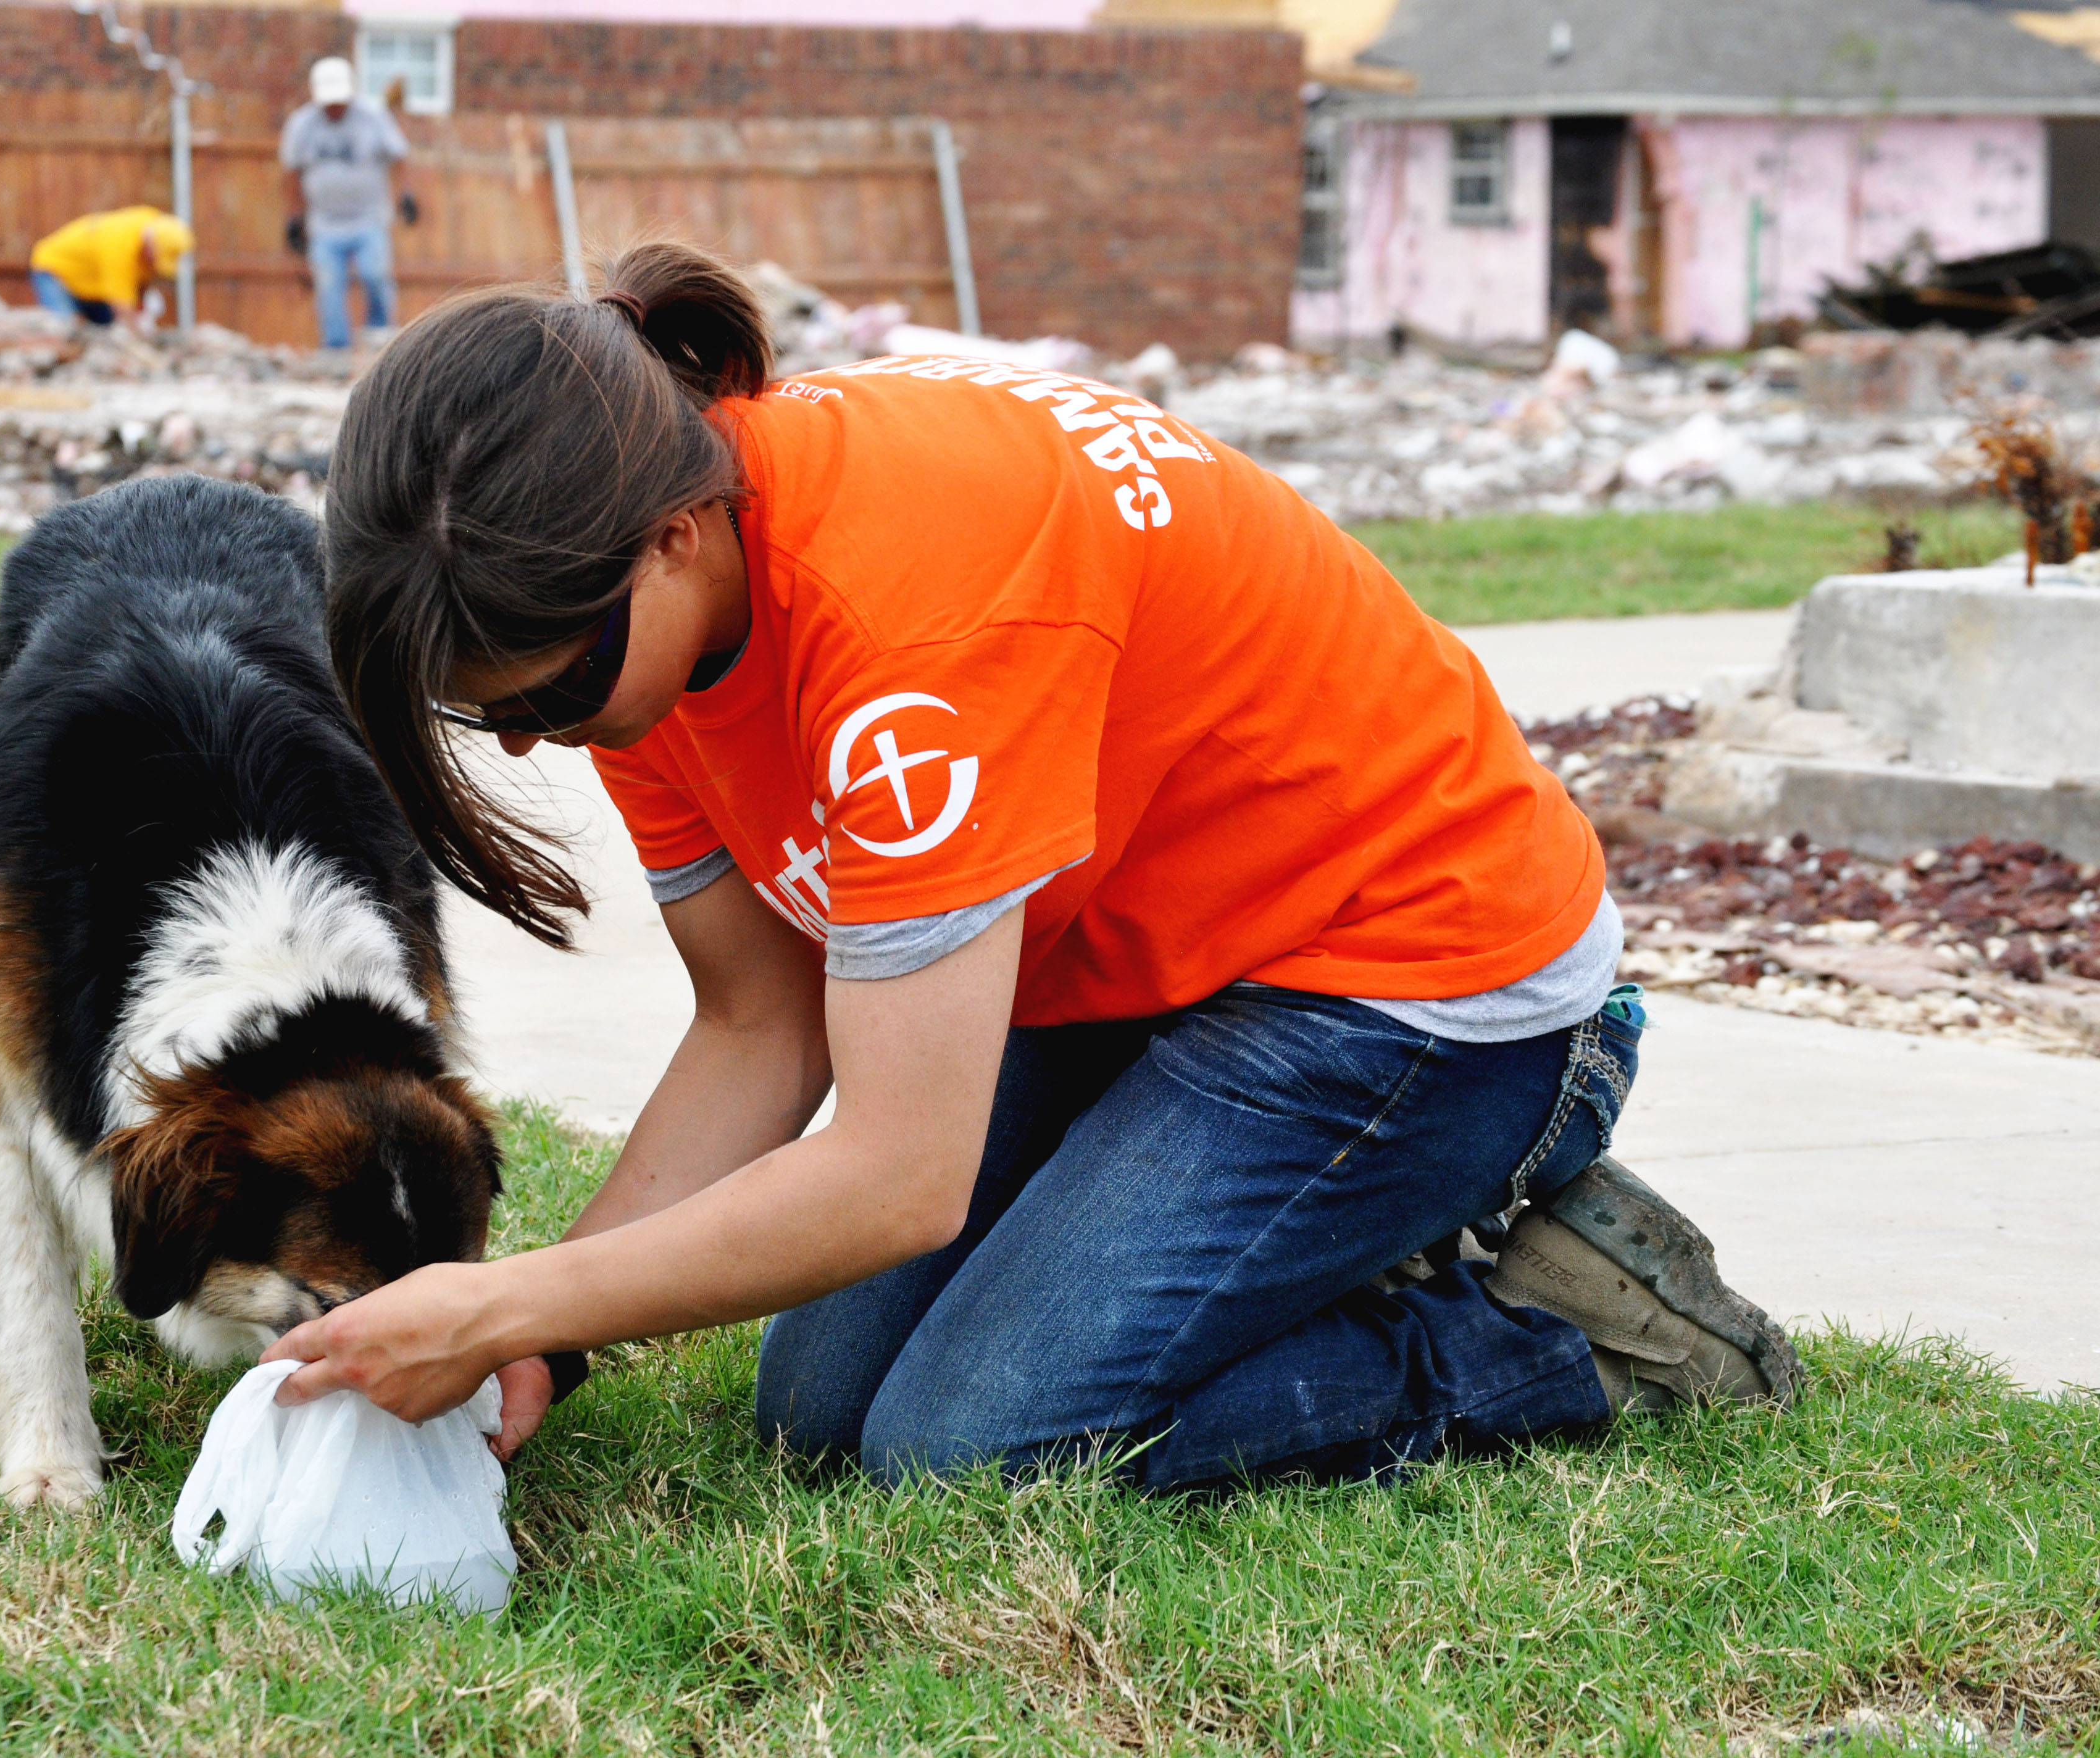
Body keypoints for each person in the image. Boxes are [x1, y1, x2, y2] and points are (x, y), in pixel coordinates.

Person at [270, 241, 1800, 1493]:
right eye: (491, 711)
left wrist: (505, 1295)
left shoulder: (906, 627)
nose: (534, 744)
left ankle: (1541, 1323)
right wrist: (551, 1330)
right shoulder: (641, 620)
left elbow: (896, 1172)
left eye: (547, 693)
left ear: (669, 535)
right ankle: (1272, 1234)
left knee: (964, 1450)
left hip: (1403, 983)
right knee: (815, 1417)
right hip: (1132, 968)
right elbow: (762, 1019)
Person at [281, 56, 410, 352]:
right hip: (325, 223)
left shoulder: (373, 117)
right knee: (329, 287)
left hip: (369, 219)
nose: (335, 108)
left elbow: (399, 157)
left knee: (375, 276)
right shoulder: (302, 125)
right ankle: (336, 350)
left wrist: (405, 196)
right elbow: (291, 173)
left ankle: (380, 341)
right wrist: (294, 219)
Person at [28, 206, 191, 330]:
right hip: (54, 270)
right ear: (149, 247)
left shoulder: (152, 231)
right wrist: (139, 339)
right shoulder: (120, 244)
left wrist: (142, 314)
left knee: (103, 327)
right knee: (65, 327)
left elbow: (139, 288)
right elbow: (121, 305)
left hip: (90, 283)